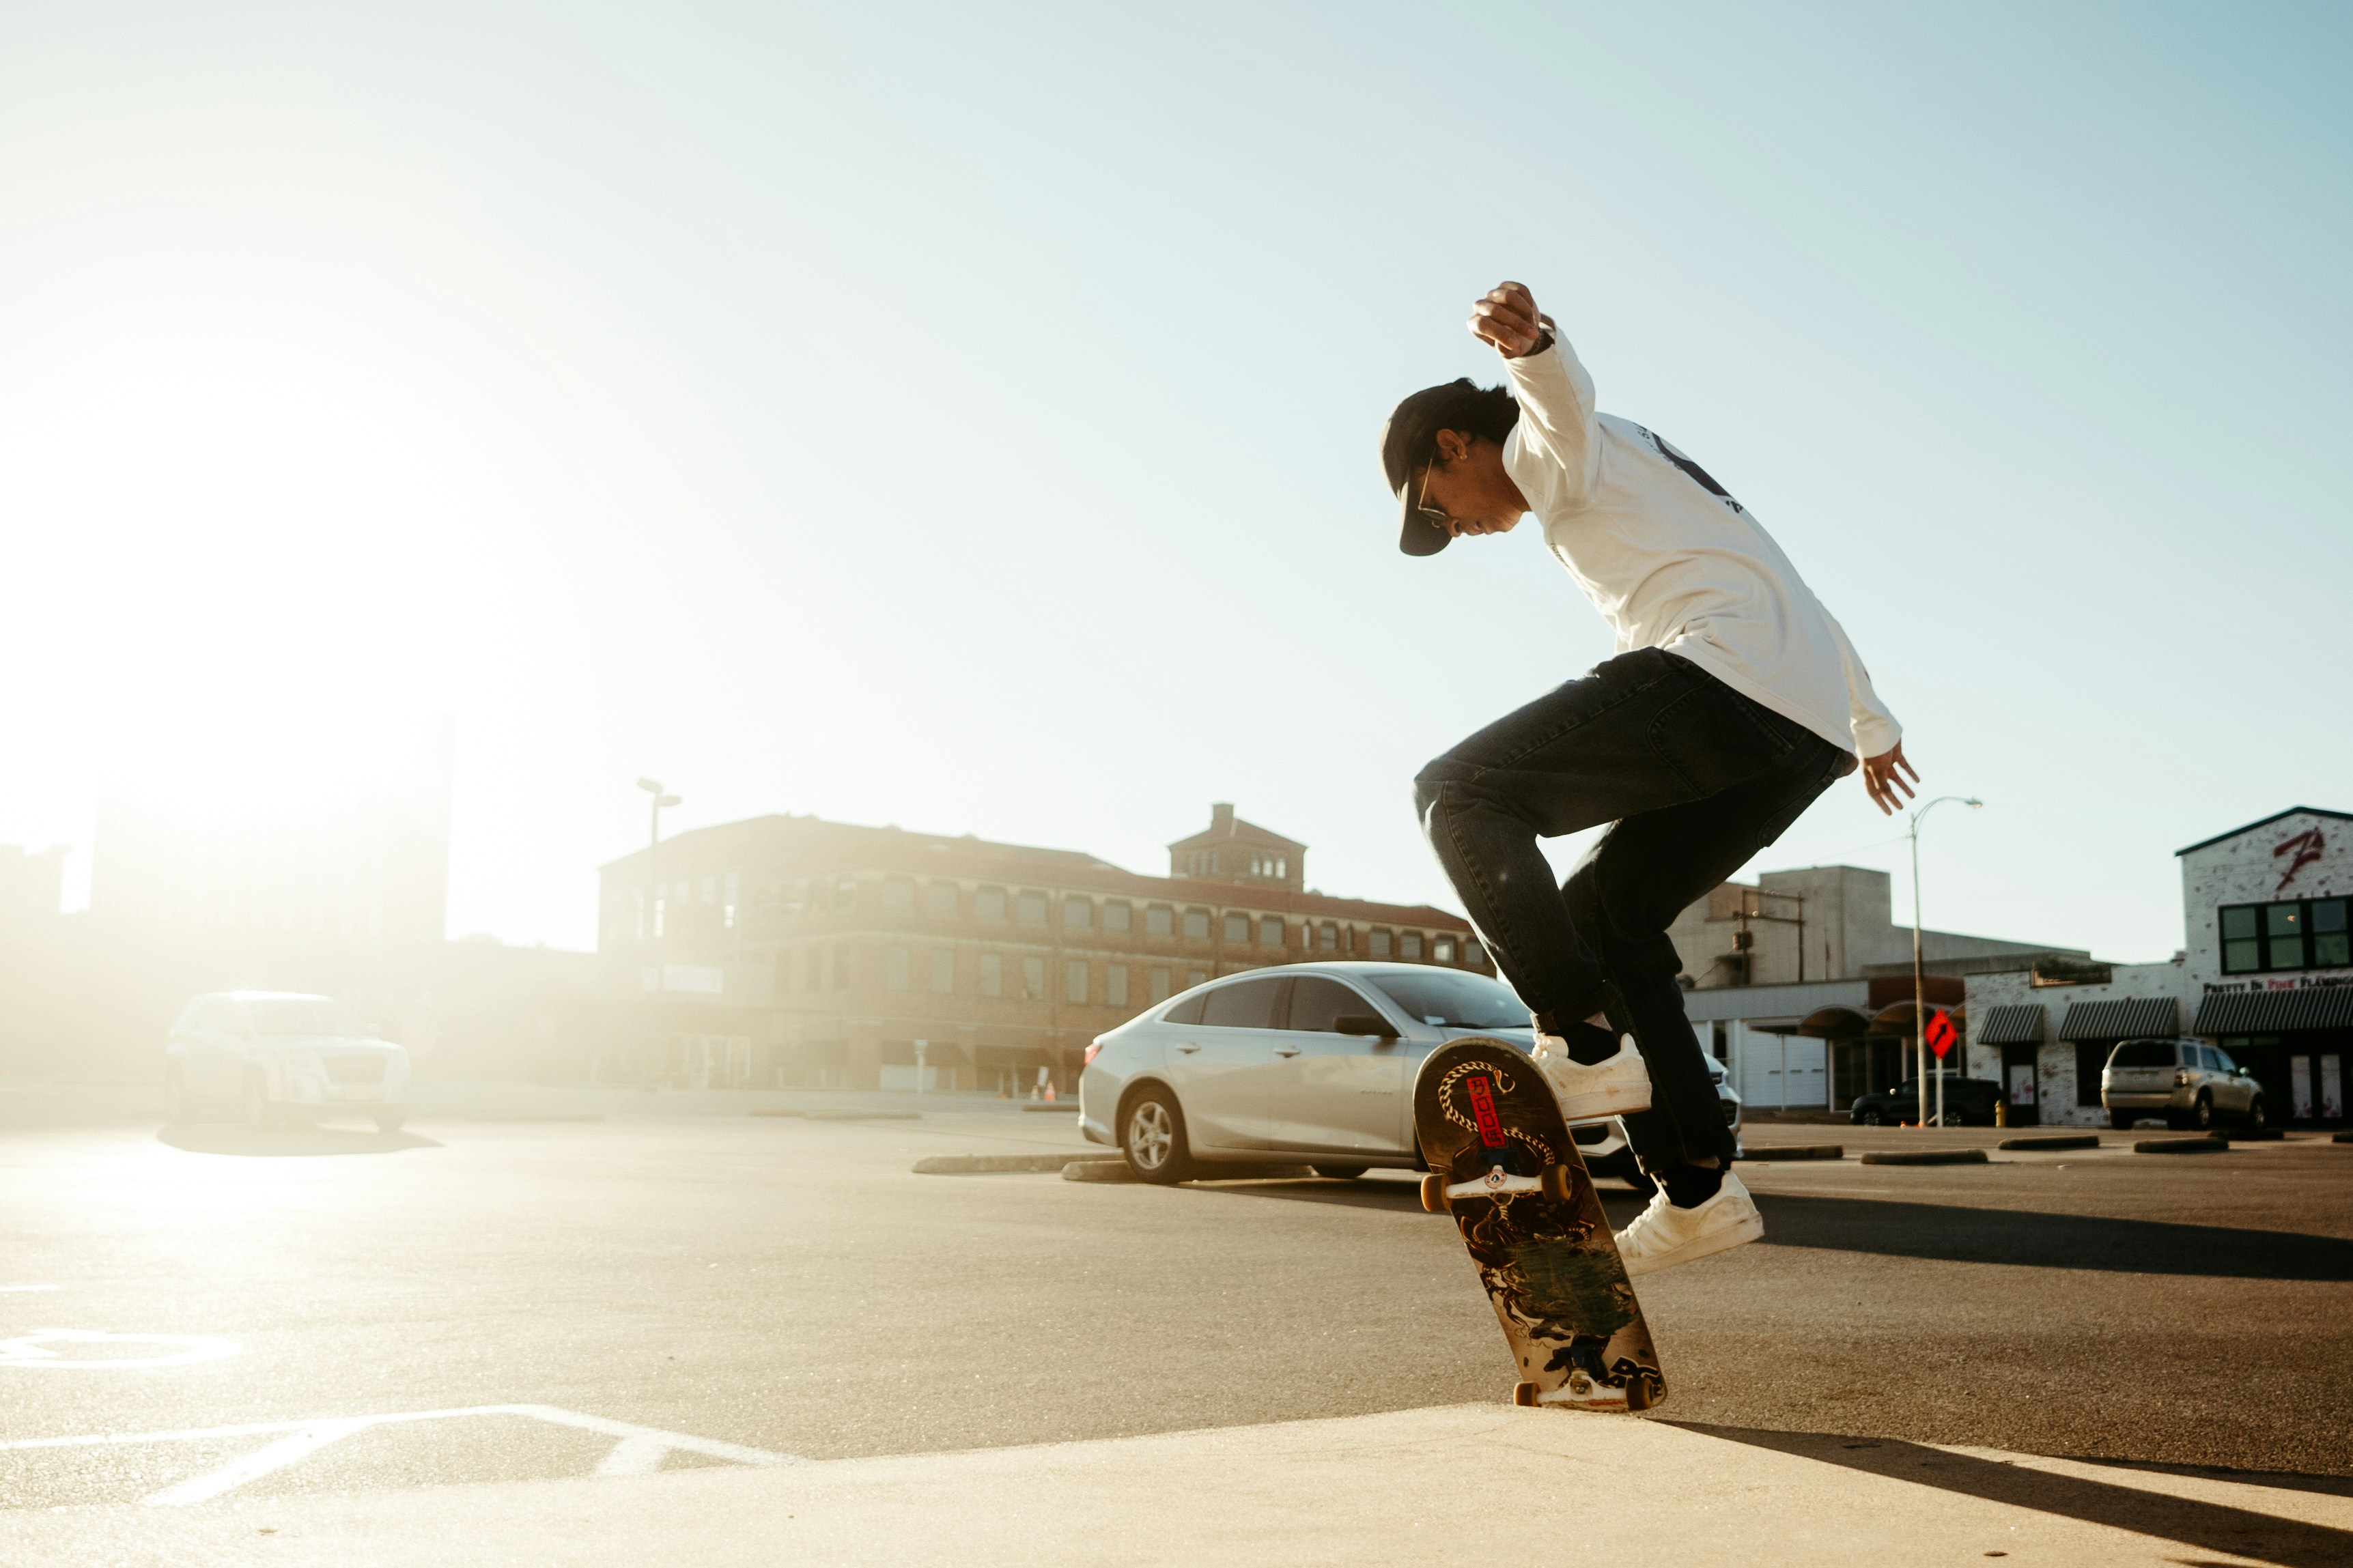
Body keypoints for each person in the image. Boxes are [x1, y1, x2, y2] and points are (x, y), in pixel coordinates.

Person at [1384, 281, 1918, 1277]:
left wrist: (1531, 345)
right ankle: (1698, 1188)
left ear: (1453, 444)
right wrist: (1868, 722)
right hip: (1797, 739)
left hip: (1714, 685)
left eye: (1436, 509)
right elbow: (1785, 578)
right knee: (1609, 920)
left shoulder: (1555, 453)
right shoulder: (1650, 473)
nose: (1455, 528)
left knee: (1458, 793)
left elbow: (1554, 402)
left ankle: (1580, 1045)